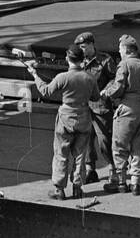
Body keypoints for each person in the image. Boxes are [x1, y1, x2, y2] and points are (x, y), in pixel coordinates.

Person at [29, 45, 97, 200]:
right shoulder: (90, 77)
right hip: (84, 118)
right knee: (80, 155)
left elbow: (46, 91)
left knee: (61, 153)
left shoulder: (62, 77)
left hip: (66, 118)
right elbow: (96, 97)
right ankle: (77, 188)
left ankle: (59, 189)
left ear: (67, 58)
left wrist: (35, 75)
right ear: (82, 59)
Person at [102, 35, 140, 193]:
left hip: (127, 108)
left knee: (119, 146)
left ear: (127, 49)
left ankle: (122, 182)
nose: (119, 50)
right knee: (138, 147)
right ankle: (136, 182)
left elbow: (118, 87)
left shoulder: (124, 64)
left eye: (120, 48)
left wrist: (106, 93)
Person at [75, 32, 116, 183]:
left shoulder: (105, 60)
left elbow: (114, 78)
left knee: (104, 140)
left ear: (92, 44)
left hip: (100, 106)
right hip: (84, 107)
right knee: (86, 140)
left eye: (84, 47)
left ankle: (113, 168)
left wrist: (107, 90)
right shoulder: (78, 61)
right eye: (80, 47)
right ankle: (90, 169)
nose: (82, 50)